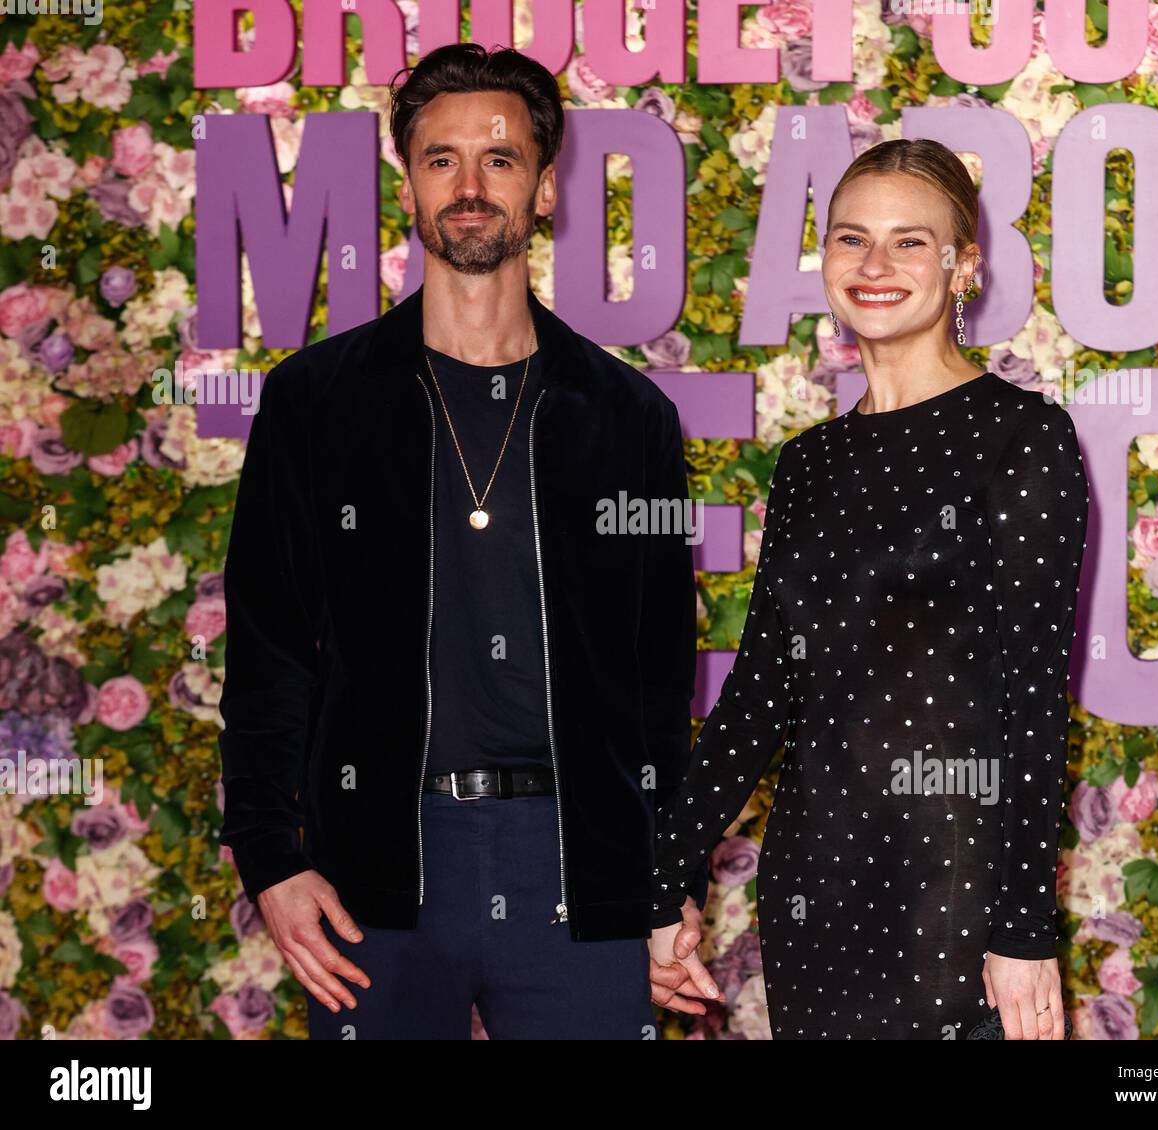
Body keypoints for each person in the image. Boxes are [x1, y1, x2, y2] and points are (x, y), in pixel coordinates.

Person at [216, 42, 707, 1040]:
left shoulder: (628, 418)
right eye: (442, 158)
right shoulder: (315, 404)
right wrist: (272, 858)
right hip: (377, 867)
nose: (471, 184)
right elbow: (267, 652)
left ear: (543, 185)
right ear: (408, 179)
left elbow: (658, 684)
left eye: (500, 156)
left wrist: (668, 878)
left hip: (577, 862)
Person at [648, 138, 1091, 1039]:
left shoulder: (1020, 437)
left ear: (964, 265)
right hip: (814, 887)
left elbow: (1033, 698)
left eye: (909, 242)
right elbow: (763, 691)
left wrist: (1020, 925)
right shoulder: (810, 463)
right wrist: (666, 874)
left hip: (952, 892)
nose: (875, 266)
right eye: (852, 240)